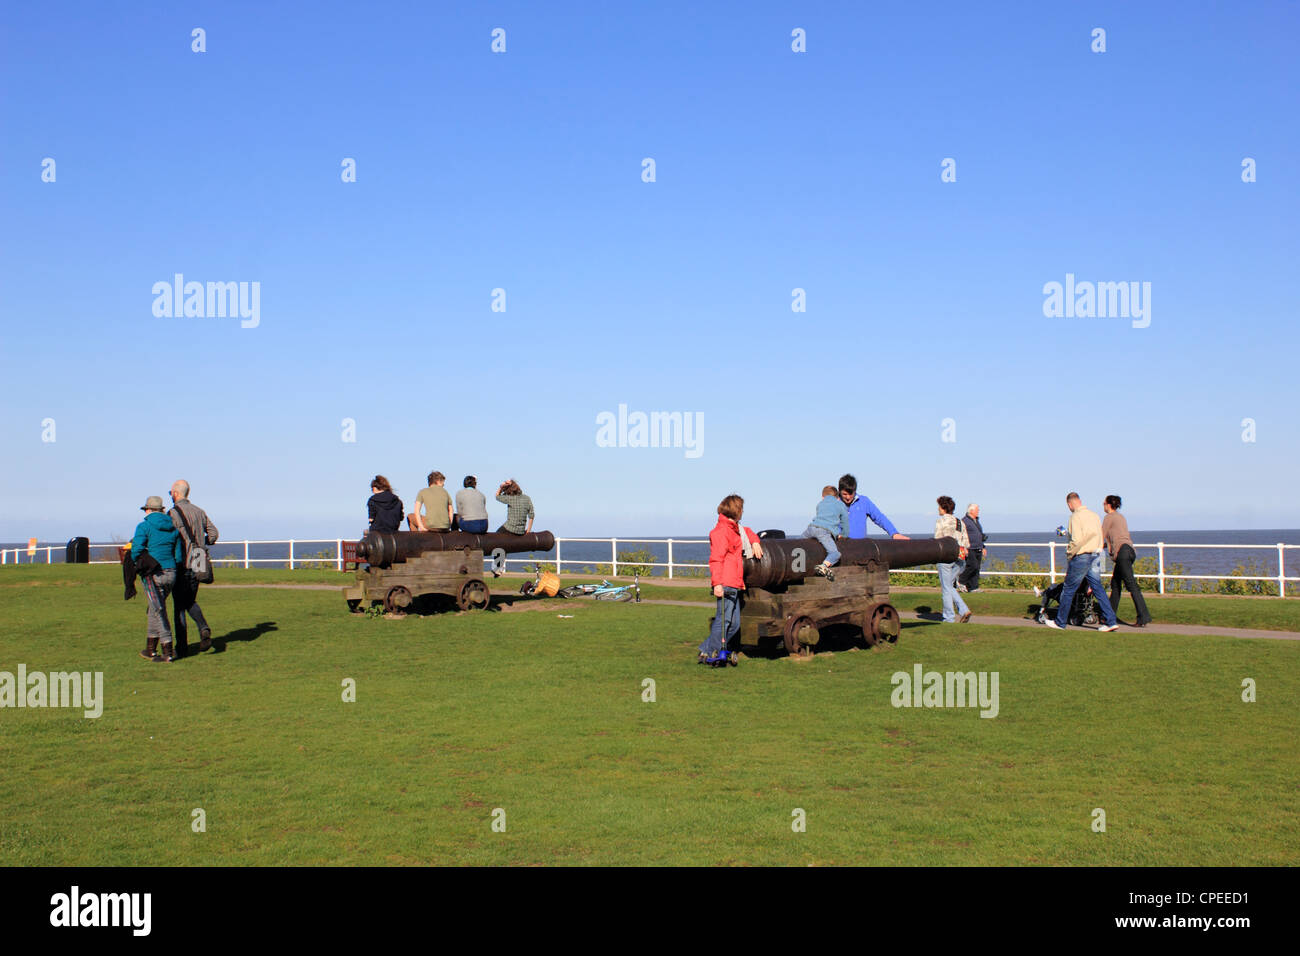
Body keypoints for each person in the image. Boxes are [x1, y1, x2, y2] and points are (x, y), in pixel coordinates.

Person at [699, 494, 763, 666]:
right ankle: (710, 652)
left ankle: (707, 649)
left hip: (734, 582)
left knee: (734, 624)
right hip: (725, 582)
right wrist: (717, 584)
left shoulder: (736, 529)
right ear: (736, 510)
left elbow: (748, 532)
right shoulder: (721, 532)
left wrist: (755, 542)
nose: (742, 512)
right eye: (741, 509)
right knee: (723, 621)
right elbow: (716, 560)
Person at [1042, 492, 1118, 632]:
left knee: (1068, 589)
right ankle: (1111, 621)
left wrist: (1070, 553)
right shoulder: (1095, 515)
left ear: (1070, 504)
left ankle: (1060, 622)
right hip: (1096, 554)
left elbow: (1076, 540)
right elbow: (1100, 536)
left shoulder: (1075, 517)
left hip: (1082, 555)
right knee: (1098, 588)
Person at [131, 495, 183, 662]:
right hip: (171, 573)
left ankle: (167, 650)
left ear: (148, 510)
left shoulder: (144, 526)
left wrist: (138, 563)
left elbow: (136, 550)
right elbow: (179, 556)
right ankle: (150, 648)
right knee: (154, 608)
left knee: (159, 611)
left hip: (153, 574)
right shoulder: (173, 528)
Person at [169, 480, 217, 655]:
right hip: (199, 559)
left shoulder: (173, 513)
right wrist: (201, 543)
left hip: (183, 562)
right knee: (189, 600)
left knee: (179, 605)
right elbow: (213, 533)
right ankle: (203, 629)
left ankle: (182, 646)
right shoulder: (199, 511)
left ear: (175, 493)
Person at [1103, 494, 1151, 628]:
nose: (1103, 506)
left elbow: (1101, 536)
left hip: (1122, 553)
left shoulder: (1109, 517)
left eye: (1104, 503)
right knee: (1116, 584)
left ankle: (1143, 617)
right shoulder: (1121, 517)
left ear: (1108, 505)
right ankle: (1108, 616)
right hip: (1129, 551)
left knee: (1131, 585)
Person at [933, 496, 972, 624]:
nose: (938, 509)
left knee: (946, 588)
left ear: (943, 508)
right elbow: (966, 544)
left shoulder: (941, 521)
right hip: (960, 559)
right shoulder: (960, 522)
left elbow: (938, 540)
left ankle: (949, 617)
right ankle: (963, 609)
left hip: (946, 557)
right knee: (949, 586)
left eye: (939, 506)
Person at [838, 474, 909, 540]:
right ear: (839, 491)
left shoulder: (864, 502)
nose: (848, 497)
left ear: (855, 491)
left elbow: (880, 518)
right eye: (845, 494)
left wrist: (894, 534)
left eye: (851, 494)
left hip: (860, 547)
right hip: (840, 547)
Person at [801, 485, 848, 579]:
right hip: (824, 531)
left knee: (798, 543)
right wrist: (843, 535)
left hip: (811, 528)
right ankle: (823, 566)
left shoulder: (820, 504)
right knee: (835, 554)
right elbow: (845, 521)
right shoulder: (840, 504)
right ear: (837, 498)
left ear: (823, 497)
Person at [957, 503, 987, 593]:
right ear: (971, 511)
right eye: (977, 510)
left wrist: (983, 547)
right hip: (969, 548)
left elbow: (980, 534)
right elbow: (960, 535)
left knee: (977, 568)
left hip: (978, 547)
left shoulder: (976, 521)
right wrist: (963, 547)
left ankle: (973, 587)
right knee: (972, 566)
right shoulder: (964, 521)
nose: (978, 511)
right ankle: (961, 580)